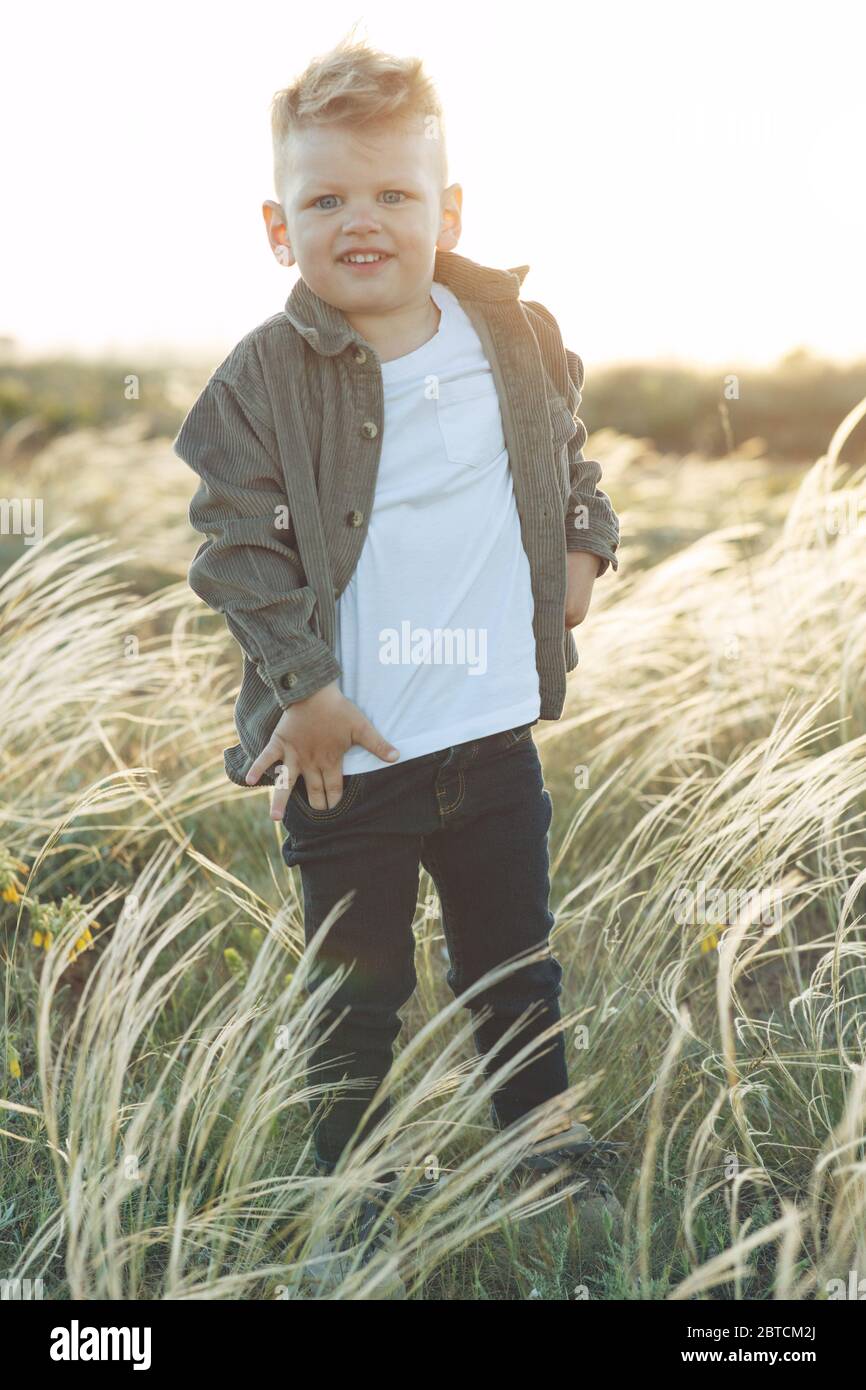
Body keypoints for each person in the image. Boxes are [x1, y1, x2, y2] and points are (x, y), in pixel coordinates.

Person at [173, 34, 624, 1265]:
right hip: (346, 760)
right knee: (355, 1004)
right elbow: (231, 542)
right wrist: (302, 692)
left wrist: (584, 545)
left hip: (489, 746)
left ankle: (545, 1172)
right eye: (324, 200)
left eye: (391, 194)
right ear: (279, 226)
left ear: (448, 208)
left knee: (513, 976)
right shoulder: (265, 376)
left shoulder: (513, 335)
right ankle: (350, 1206)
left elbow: (572, 458)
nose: (358, 222)